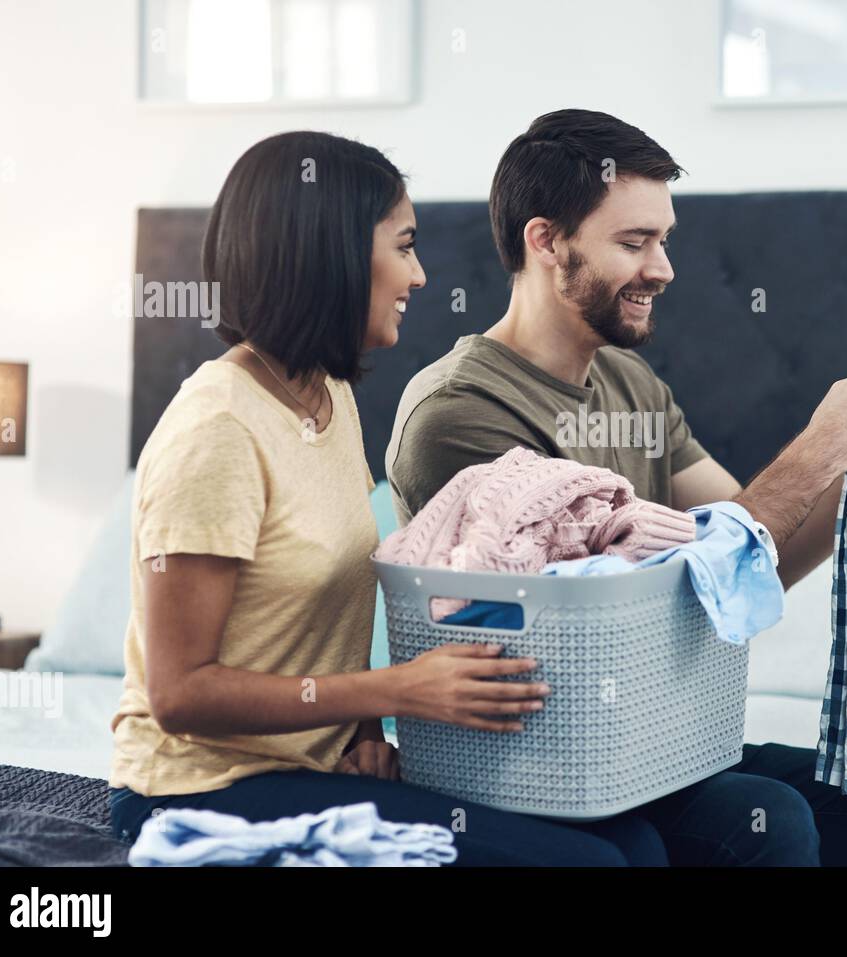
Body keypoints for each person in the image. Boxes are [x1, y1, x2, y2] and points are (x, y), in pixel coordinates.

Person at [107, 130, 788, 866]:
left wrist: (365, 733)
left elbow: (320, 618)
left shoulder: (326, 396)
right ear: (333, 253)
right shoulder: (218, 429)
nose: (421, 275)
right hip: (200, 788)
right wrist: (393, 692)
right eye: (403, 247)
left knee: (630, 843)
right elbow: (180, 694)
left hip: (315, 765)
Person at [385, 109, 847, 866]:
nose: (663, 269)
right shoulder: (460, 413)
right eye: (634, 242)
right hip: (550, 757)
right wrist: (820, 443)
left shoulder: (629, 382)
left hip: (657, 740)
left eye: (664, 240)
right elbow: (600, 634)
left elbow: (752, 556)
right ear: (546, 241)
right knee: (769, 820)